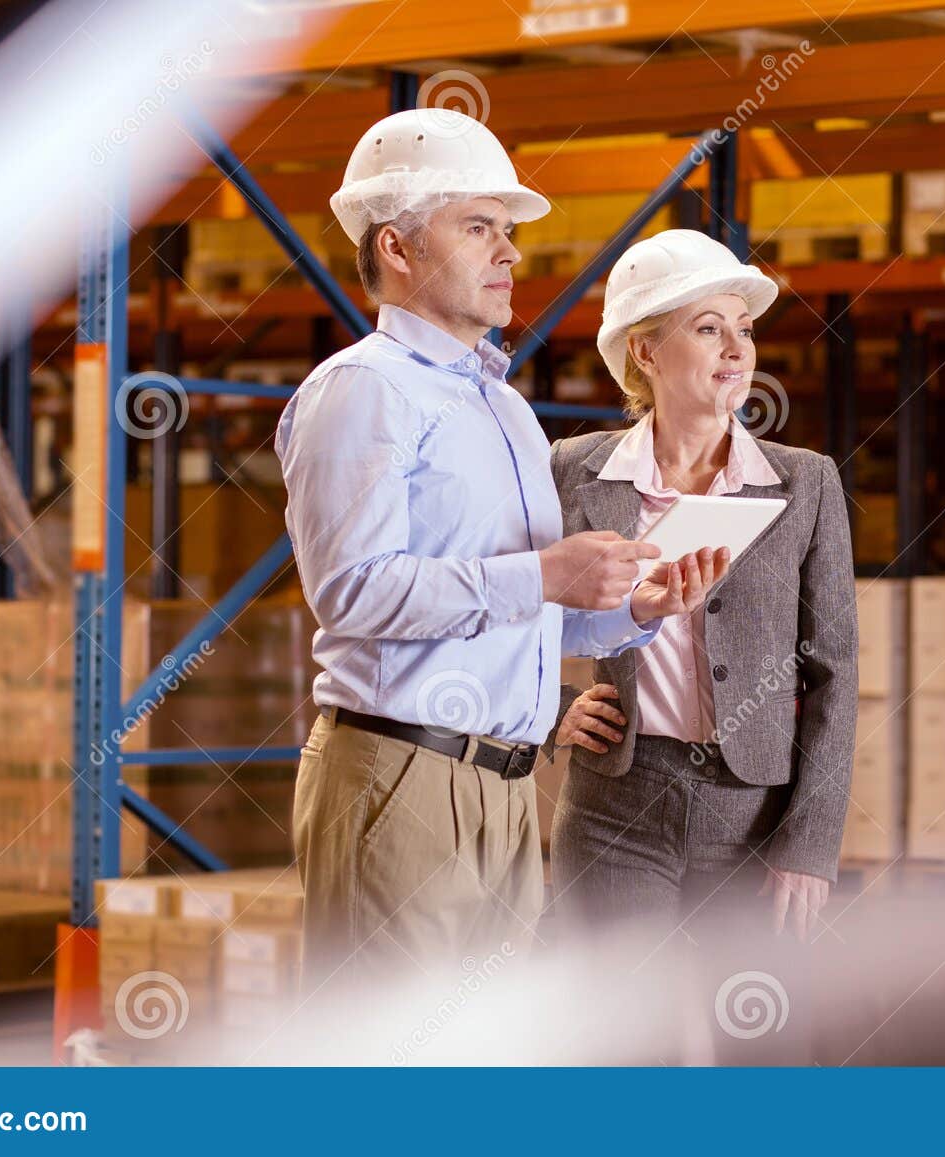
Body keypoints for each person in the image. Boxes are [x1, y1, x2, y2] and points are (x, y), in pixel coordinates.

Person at [274, 111, 728, 994]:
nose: (510, 252)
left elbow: (509, 617)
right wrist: (546, 573)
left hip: (508, 789)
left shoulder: (504, 408)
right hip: (403, 778)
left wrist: (627, 608)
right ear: (398, 248)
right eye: (479, 227)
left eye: (508, 231)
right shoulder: (363, 390)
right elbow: (353, 592)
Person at [548, 229, 858, 945]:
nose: (736, 350)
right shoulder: (573, 470)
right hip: (612, 808)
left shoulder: (804, 482)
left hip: (753, 811)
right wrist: (550, 712)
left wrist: (809, 846)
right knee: (620, 1043)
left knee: (760, 1040)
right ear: (645, 351)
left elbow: (834, 670)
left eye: (743, 331)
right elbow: (502, 609)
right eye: (709, 328)